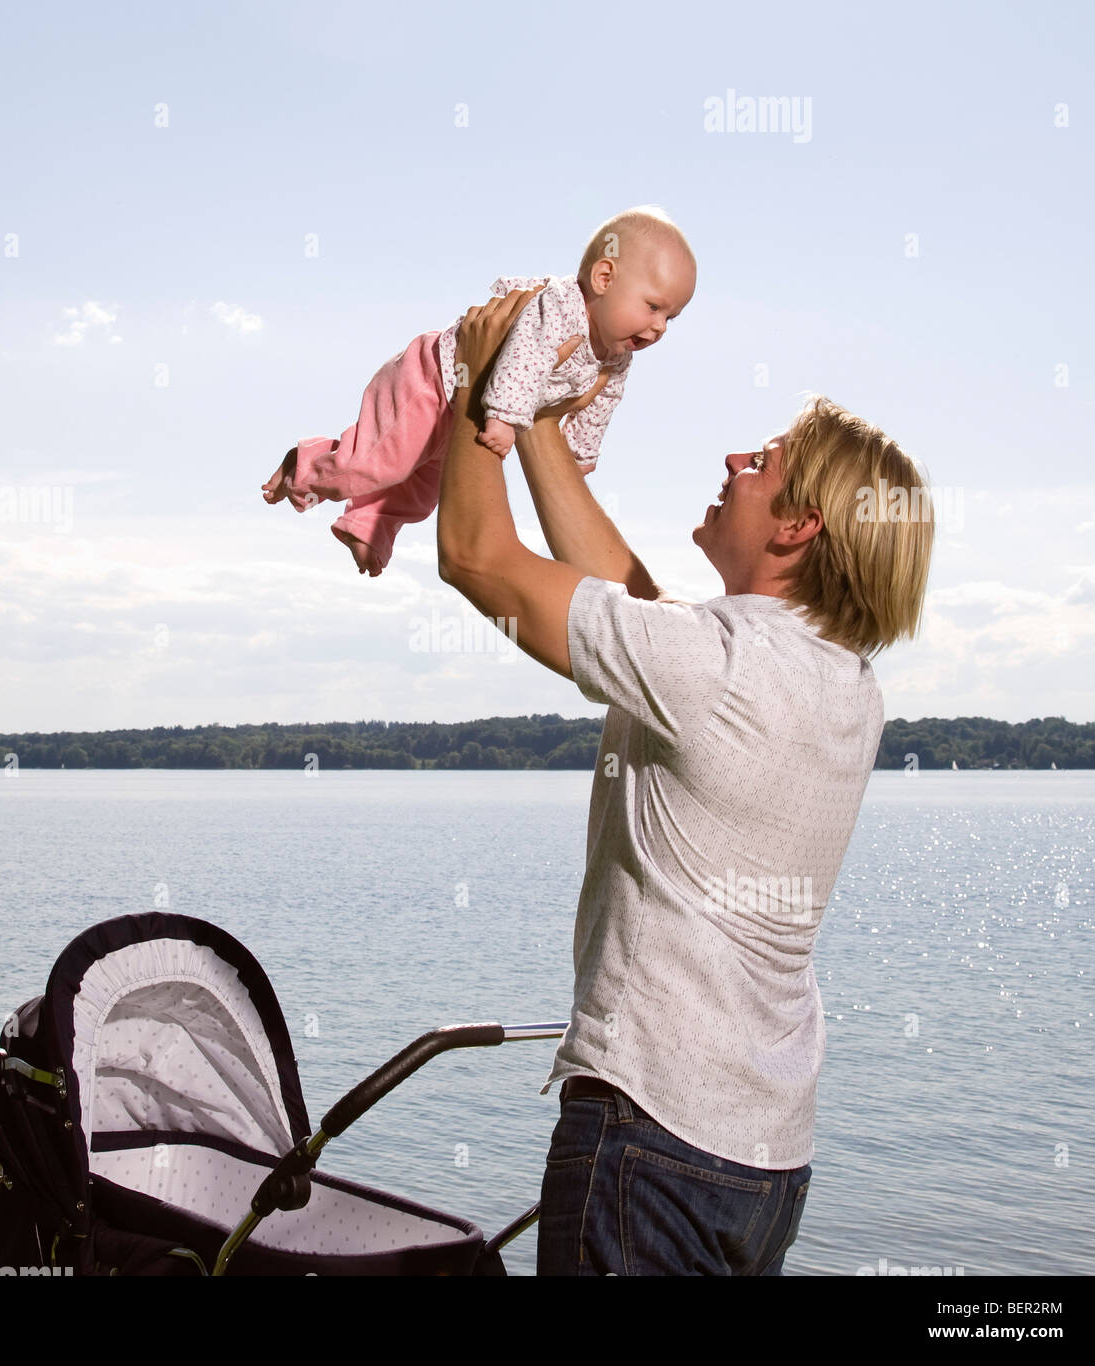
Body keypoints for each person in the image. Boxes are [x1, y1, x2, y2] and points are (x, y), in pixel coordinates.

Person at [436, 288, 934, 1276]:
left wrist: (477, 389)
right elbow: (633, 610)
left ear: (797, 530)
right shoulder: (843, 684)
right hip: (763, 1161)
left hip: (648, 1139)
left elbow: (475, 558)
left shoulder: (709, 666)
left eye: (763, 464)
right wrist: (534, 414)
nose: (733, 462)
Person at [261, 206, 695, 576]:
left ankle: (367, 526)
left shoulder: (616, 356)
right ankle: (306, 464)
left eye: (671, 317)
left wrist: (580, 454)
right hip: (433, 379)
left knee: (424, 486)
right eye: (653, 306)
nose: (658, 327)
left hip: (462, 411)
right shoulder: (561, 306)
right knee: (379, 462)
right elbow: (526, 354)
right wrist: (505, 416)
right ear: (604, 277)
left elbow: (601, 403)